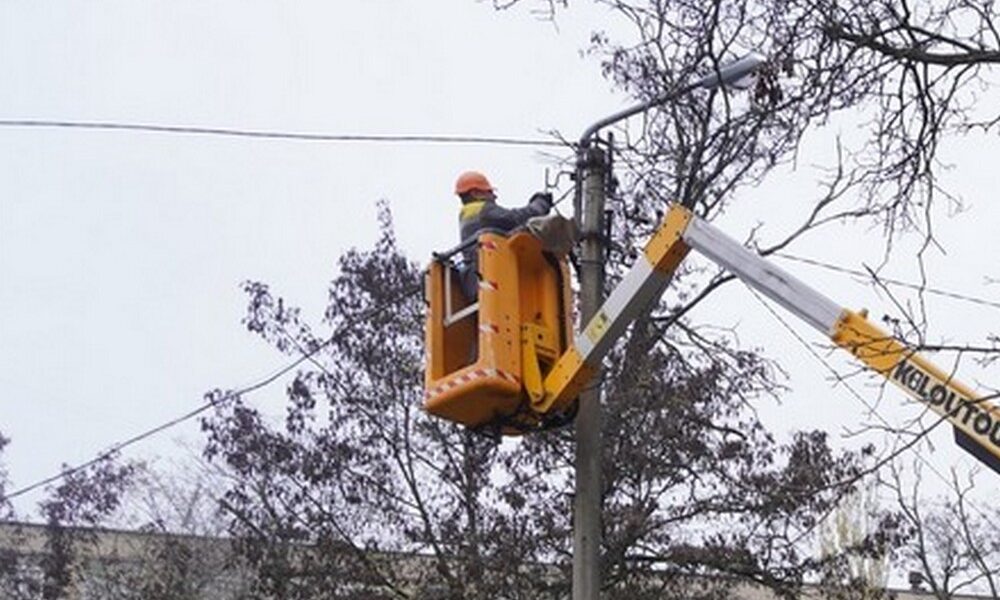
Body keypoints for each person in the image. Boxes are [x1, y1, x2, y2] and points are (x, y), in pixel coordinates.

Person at [454, 170, 553, 300]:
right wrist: (540, 204)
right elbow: (515, 218)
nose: (494, 196)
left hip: (476, 277)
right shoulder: (484, 210)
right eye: (489, 192)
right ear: (476, 193)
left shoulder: (466, 214)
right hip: (493, 272)